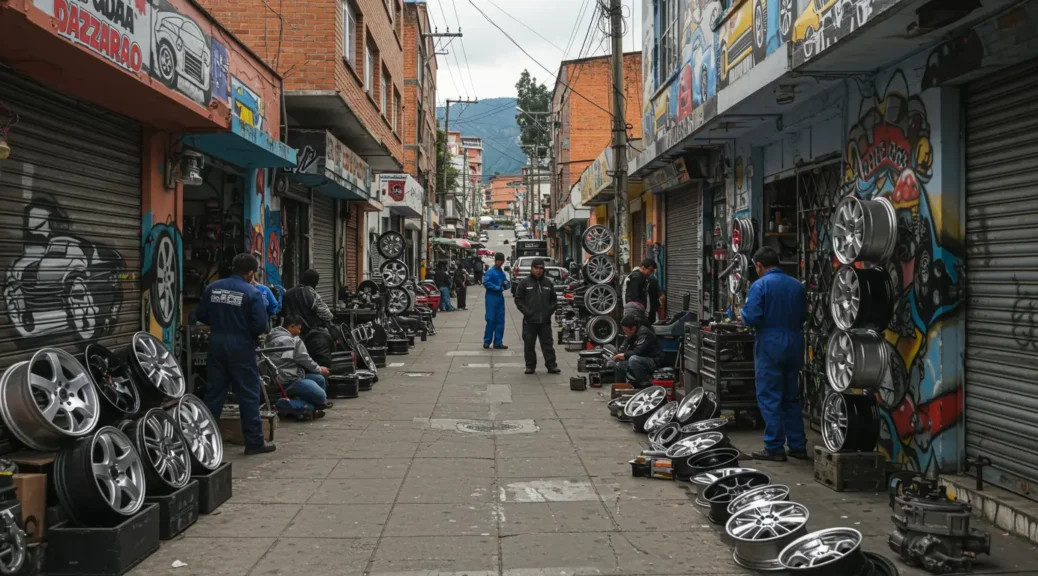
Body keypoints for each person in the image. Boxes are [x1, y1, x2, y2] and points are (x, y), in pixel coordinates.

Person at [193, 253, 275, 454]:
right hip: (242, 347)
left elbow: (200, 315)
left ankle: (204, 444)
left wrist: (220, 324)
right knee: (248, 395)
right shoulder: (252, 293)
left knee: (214, 395)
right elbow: (260, 325)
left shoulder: (212, 288)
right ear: (250, 273)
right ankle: (254, 442)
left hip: (217, 345)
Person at [740, 246, 808, 461]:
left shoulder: (760, 285)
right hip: (795, 341)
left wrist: (742, 313)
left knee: (770, 396)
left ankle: (774, 447)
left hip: (770, 343)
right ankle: (797, 446)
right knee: (791, 396)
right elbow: (804, 315)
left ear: (759, 265)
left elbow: (751, 317)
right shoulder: (796, 285)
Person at [266, 315, 332, 410]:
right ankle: (285, 404)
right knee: (321, 397)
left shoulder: (273, 336)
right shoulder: (289, 340)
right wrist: (319, 369)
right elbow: (304, 358)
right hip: (288, 380)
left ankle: (309, 406)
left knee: (319, 379)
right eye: (299, 329)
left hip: (289, 376)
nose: (300, 332)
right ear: (291, 326)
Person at [514, 258, 560, 374]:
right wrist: (527, 312)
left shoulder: (548, 283)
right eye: (536, 268)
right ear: (532, 268)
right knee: (529, 345)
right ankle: (530, 366)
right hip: (530, 321)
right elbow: (518, 299)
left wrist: (549, 310)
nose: (539, 270)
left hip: (545, 321)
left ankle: (551, 365)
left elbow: (554, 300)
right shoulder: (524, 283)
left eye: (541, 268)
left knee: (548, 344)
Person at [613, 314, 663, 388]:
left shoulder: (644, 333)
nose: (625, 332)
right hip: (641, 360)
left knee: (633, 359)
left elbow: (637, 352)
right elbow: (624, 348)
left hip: (653, 361)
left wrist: (624, 355)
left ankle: (646, 384)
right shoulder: (632, 334)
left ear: (633, 328)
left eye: (626, 330)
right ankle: (620, 389)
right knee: (619, 365)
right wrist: (618, 354)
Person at [483, 252, 510, 349]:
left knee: (500, 320)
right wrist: (496, 287)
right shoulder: (491, 272)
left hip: (499, 298)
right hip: (491, 297)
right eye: (499, 261)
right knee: (491, 319)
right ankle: (487, 341)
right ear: (496, 261)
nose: (501, 263)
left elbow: (505, 282)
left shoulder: (502, 273)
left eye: (502, 261)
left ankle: (498, 342)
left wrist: (507, 284)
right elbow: (486, 282)